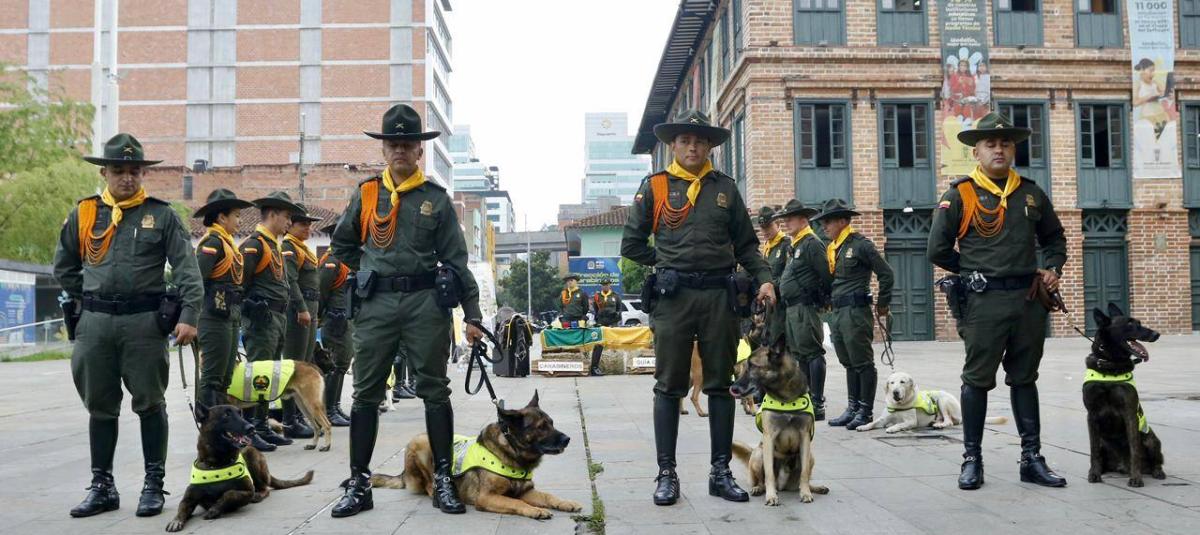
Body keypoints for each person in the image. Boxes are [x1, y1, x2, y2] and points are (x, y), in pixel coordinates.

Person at [329, 103, 485, 517]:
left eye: (408, 143)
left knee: (435, 390)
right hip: (376, 304)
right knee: (365, 393)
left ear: (420, 150)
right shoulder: (364, 195)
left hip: (424, 304)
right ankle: (360, 484)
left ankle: (445, 482)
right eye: (393, 143)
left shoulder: (435, 198)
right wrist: (367, 272)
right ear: (384, 150)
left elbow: (455, 259)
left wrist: (472, 315)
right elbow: (342, 245)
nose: (400, 150)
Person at [621, 109, 774, 506]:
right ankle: (666, 474)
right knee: (669, 386)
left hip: (718, 299)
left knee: (721, 386)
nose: (693, 146)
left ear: (710, 147)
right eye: (686, 140)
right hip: (674, 300)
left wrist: (766, 278)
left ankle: (720, 473)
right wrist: (666, 263)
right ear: (673, 145)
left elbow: (746, 245)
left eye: (701, 141)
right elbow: (632, 244)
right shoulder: (654, 187)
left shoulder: (725, 188)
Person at [54, 133, 203, 518]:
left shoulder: (163, 215)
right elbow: (65, 266)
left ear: (142, 173)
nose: (126, 177)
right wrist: (89, 297)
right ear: (104, 172)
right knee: (100, 406)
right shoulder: (84, 213)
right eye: (118, 170)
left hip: (143, 324)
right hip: (96, 324)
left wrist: (188, 316)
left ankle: (153, 484)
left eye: (134, 170)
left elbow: (187, 270)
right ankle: (102, 486)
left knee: (151, 404)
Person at [927, 112, 1069, 491]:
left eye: (1006, 143)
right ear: (976, 151)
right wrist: (973, 269)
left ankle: (1032, 458)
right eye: (991, 143)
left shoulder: (1032, 192)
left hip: (1027, 300)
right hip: (984, 301)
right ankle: (972, 459)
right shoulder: (960, 194)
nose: (999, 149)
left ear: (1013, 148)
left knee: (1025, 379)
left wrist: (1051, 266)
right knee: (977, 380)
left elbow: (1055, 238)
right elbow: (937, 249)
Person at [813, 198, 893, 431]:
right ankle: (853, 408)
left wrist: (883, 304)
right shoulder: (834, 248)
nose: (824, 227)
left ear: (842, 220)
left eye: (828, 222)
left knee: (862, 362)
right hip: (838, 311)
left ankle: (865, 410)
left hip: (856, 312)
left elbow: (886, 274)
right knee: (848, 361)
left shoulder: (860, 245)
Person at [239, 190, 306, 450]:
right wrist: (248, 309)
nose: (289, 223)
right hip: (261, 319)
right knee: (257, 374)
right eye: (287, 217)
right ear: (273, 214)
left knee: (268, 374)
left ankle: (263, 425)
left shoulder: (272, 245)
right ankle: (251, 428)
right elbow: (239, 284)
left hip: (277, 318)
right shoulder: (254, 245)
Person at [192, 189, 254, 408]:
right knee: (213, 376)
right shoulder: (213, 243)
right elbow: (197, 281)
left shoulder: (227, 243)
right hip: (213, 316)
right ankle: (209, 428)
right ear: (221, 217)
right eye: (236, 215)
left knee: (226, 377)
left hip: (230, 314)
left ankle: (222, 429)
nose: (239, 220)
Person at [774, 199, 832, 420]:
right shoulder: (796, 244)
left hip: (805, 307)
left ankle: (817, 403)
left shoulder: (811, 243)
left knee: (813, 353)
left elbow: (826, 275)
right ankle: (806, 398)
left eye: (790, 219)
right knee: (801, 355)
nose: (786, 223)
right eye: (785, 219)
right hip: (793, 309)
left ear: (803, 219)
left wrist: (822, 299)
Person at [280, 203, 322, 439]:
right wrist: (302, 308)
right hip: (299, 311)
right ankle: (289, 420)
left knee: (304, 364)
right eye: (302, 224)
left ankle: (299, 415)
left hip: (311, 308)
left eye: (309, 224)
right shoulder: (288, 247)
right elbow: (291, 282)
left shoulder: (302, 248)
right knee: (294, 366)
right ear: (291, 226)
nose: (307, 228)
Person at [317, 222, 354, 427]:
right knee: (334, 365)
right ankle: (328, 410)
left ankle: (335, 406)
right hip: (334, 319)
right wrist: (320, 317)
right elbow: (321, 291)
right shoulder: (331, 261)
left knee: (343, 363)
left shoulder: (344, 260)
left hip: (344, 319)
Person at [758, 205, 789, 347]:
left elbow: (787, 276)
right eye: (762, 228)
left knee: (781, 348)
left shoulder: (786, 244)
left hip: (783, 305)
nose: (765, 231)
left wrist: (771, 286)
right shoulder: (767, 247)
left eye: (768, 226)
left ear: (778, 224)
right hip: (770, 307)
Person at [588, 277, 622, 376]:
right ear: (601, 286)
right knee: (598, 345)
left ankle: (617, 366)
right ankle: (595, 367)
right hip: (602, 322)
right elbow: (595, 310)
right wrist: (598, 318)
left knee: (614, 343)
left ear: (610, 285)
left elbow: (619, 309)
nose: (605, 286)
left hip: (612, 323)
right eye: (603, 285)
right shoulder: (597, 296)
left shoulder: (615, 296)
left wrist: (616, 318)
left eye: (607, 284)